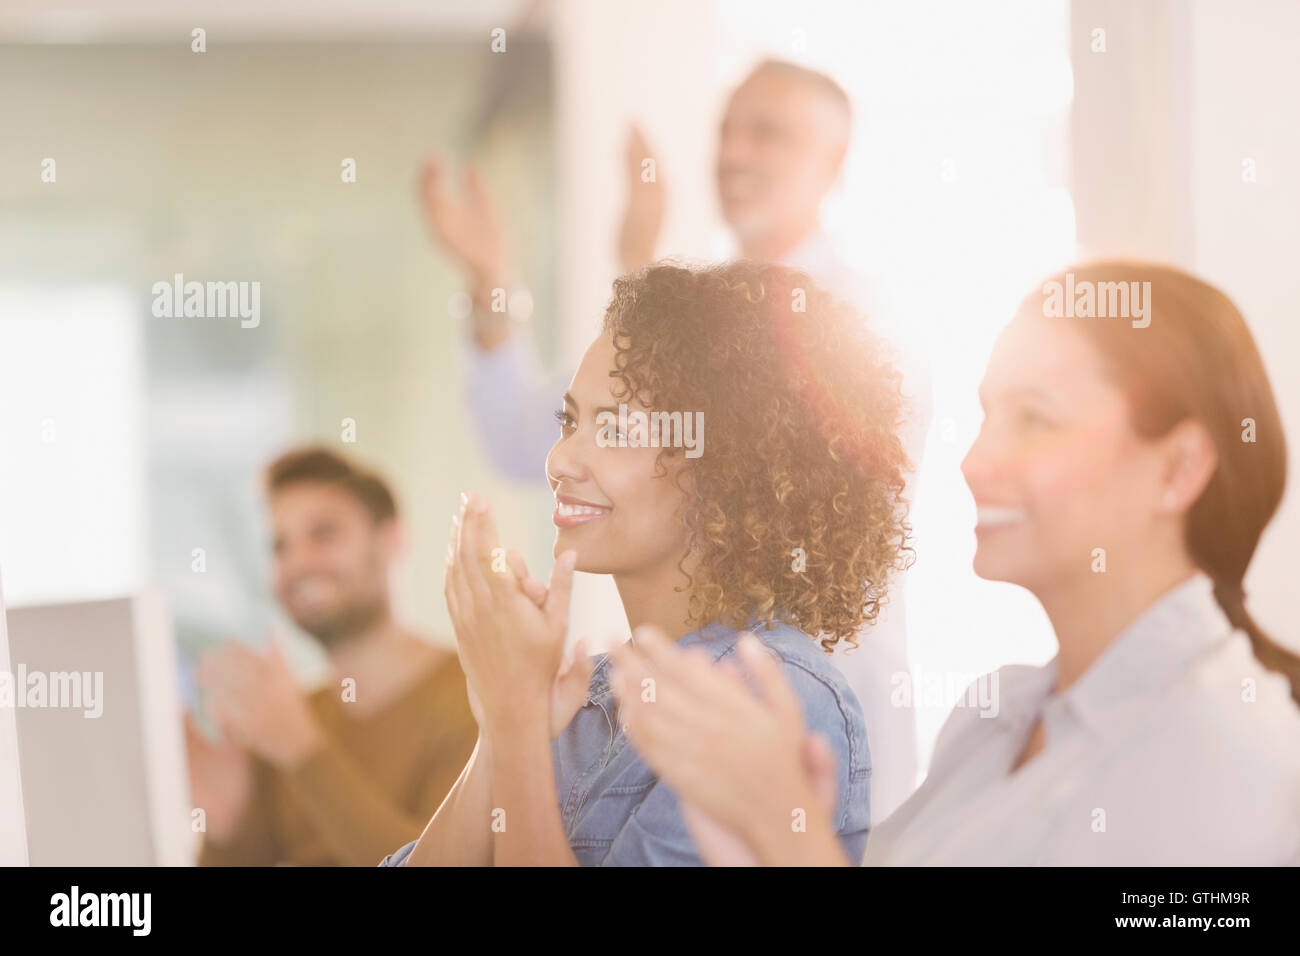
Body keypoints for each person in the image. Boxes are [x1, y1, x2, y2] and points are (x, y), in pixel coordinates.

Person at [609, 260, 1300, 865]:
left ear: (1177, 467)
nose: (974, 462)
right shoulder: (990, 721)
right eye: (986, 415)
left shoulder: (1231, 752)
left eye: (1035, 419)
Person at [420, 58, 930, 825]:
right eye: (726, 129)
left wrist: (645, 283)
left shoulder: (859, 330)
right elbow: (526, 436)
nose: (733, 153)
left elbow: (766, 479)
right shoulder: (688, 309)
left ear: (835, 164)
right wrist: (494, 278)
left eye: (769, 133)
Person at [379, 260, 912, 865]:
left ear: (727, 473)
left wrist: (516, 726)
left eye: (616, 430)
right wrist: (504, 726)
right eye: (570, 421)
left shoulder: (775, 695)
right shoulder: (578, 698)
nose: (558, 461)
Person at [187, 447, 478, 866]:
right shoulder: (289, 717)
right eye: (279, 546)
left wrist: (303, 751)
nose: (298, 562)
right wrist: (227, 821)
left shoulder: (475, 697)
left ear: (390, 540)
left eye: (323, 534)